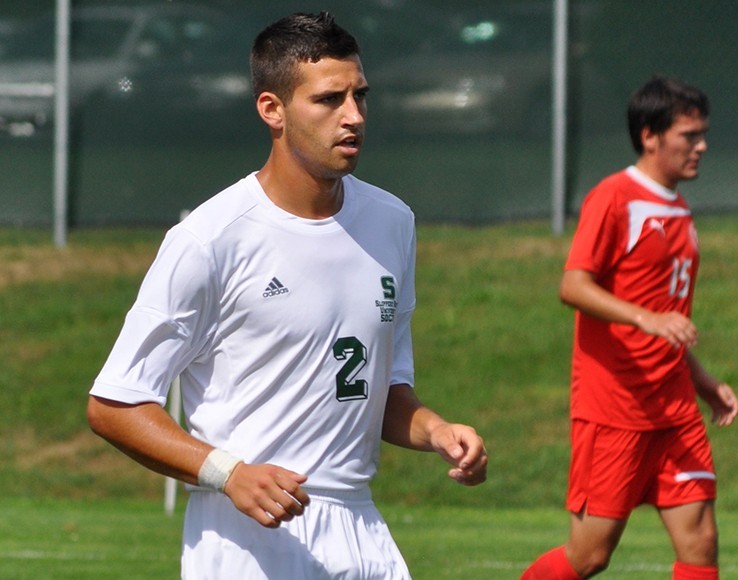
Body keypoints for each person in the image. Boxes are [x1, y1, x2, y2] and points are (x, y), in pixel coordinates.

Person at [86, 12, 487, 579]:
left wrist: (436, 431)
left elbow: (378, 390)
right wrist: (228, 473)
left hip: (362, 530)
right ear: (271, 109)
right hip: (249, 538)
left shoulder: (392, 222)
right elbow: (114, 404)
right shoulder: (209, 240)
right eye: (329, 100)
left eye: (360, 96)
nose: (353, 116)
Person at [521, 76, 738, 580]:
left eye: (703, 134)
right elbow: (573, 285)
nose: (701, 146)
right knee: (590, 555)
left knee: (701, 542)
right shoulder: (615, 197)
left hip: (674, 407)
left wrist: (702, 380)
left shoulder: (678, 208)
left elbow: (668, 318)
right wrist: (646, 318)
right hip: (616, 406)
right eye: (689, 135)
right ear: (649, 136)